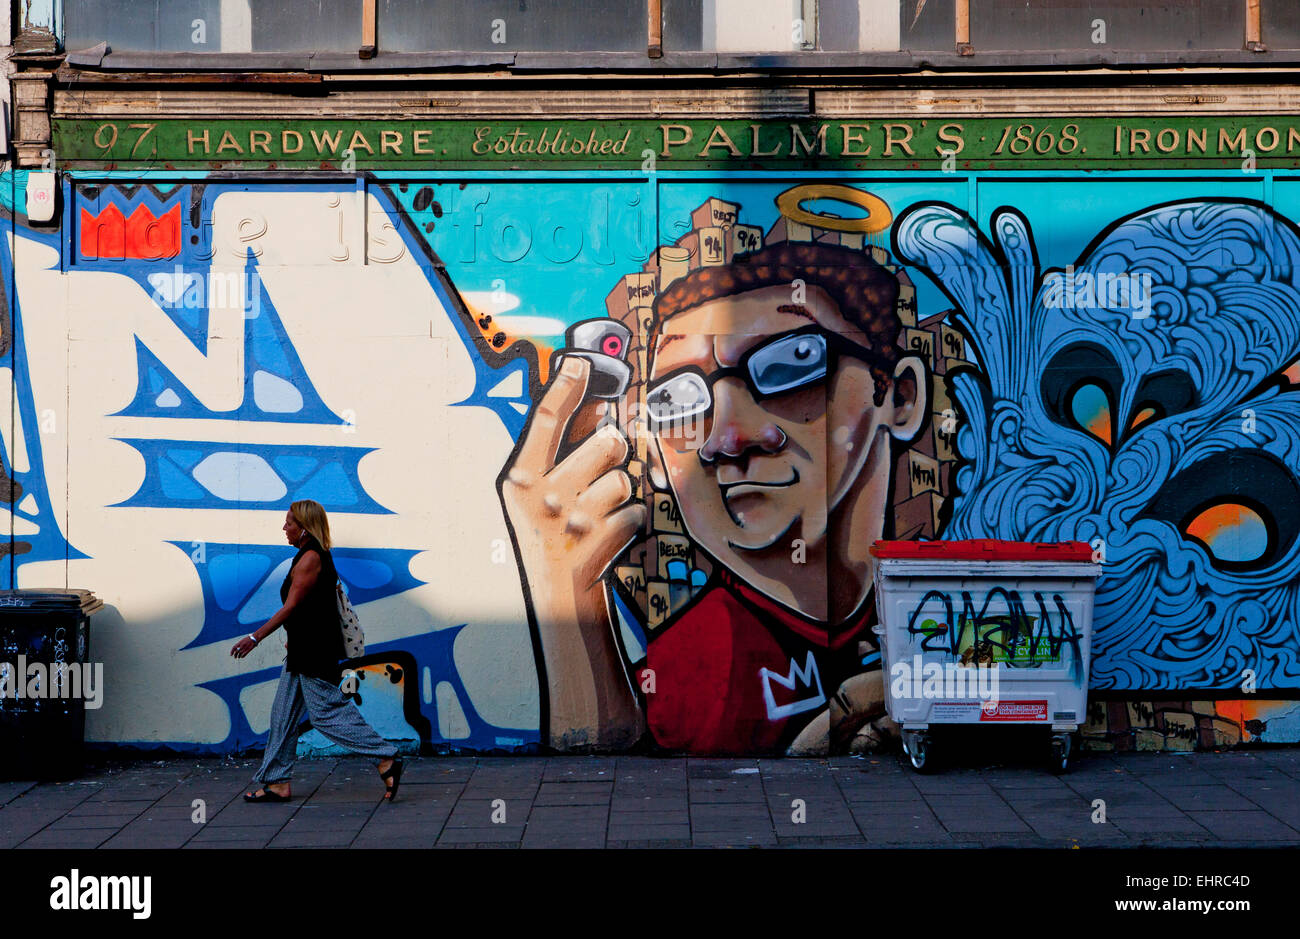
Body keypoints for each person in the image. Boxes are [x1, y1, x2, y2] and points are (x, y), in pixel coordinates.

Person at [501, 241, 928, 754]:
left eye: (793, 361)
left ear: (899, 398)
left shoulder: (949, 615)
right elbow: (618, 794)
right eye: (677, 400)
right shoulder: (691, 676)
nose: (725, 437)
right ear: (654, 458)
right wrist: (565, 598)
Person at [230, 499, 403, 801]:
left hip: (312, 653)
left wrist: (254, 638)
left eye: (290, 522)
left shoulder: (311, 557)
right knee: (282, 716)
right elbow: (309, 609)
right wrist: (294, 635)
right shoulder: (308, 555)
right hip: (301, 650)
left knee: (326, 714)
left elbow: (292, 606)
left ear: (305, 527)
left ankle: (386, 756)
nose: (284, 527)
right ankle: (277, 782)